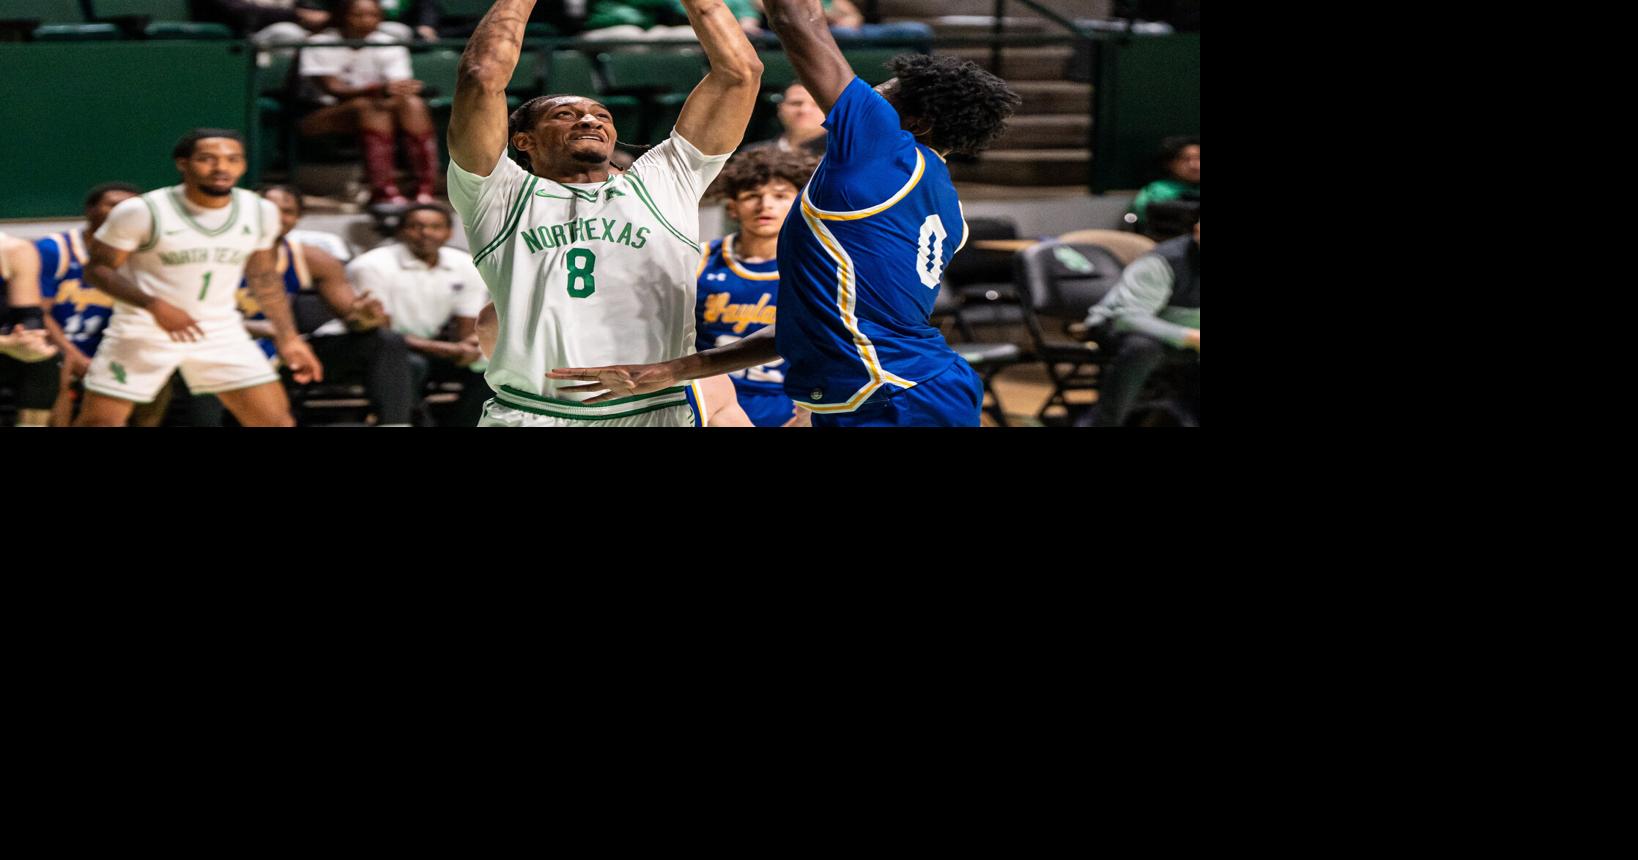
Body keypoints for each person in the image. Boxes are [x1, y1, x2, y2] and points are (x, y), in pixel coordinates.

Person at [549, 0, 1020, 427]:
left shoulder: (884, 150)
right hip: (892, 387)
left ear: (914, 123)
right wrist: (670, 371)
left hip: (894, 394)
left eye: (881, 94)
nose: (865, 98)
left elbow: (796, 17)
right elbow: (811, 323)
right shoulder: (946, 204)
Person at [448, 0, 761, 426]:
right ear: (523, 141)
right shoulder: (498, 193)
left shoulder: (664, 180)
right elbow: (480, 78)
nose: (589, 120)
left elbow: (741, 73)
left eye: (601, 115)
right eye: (565, 114)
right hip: (533, 412)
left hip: (651, 410)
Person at [72, 129, 324, 427]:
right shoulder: (142, 211)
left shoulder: (260, 211)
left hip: (219, 331)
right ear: (183, 164)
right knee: (99, 423)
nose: (222, 168)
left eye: (233, 160)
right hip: (143, 330)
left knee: (276, 422)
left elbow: (264, 276)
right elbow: (97, 269)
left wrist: (288, 337)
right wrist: (153, 305)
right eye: (208, 159)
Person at [235, 185, 414, 426]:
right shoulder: (215, 253)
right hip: (229, 350)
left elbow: (354, 319)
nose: (278, 217)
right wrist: (266, 330)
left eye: (287, 211)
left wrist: (365, 317)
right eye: (269, 210)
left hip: (287, 354)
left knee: (385, 341)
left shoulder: (313, 258)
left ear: (298, 218)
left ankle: (395, 423)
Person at [35, 183, 176, 427]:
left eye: (131, 206)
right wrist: (75, 357)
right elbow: (39, 313)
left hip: (116, 346)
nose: (123, 211)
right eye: (113, 205)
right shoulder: (54, 249)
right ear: (90, 211)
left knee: (157, 364)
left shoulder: (149, 255)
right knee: (59, 368)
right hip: (59, 344)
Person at [696, 147, 816, 426]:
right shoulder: (700, 260)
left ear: (800, 203)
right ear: (732, 207)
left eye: (780, 196)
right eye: (752, 196)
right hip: (713, 402)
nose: (765, 205)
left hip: (790, 405)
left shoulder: (816, 268)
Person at [346, 204, 490, 425]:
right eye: (416, 226)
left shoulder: (466, 265)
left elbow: (467, 327)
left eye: (435, 227)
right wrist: (445, 349)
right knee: (411, 364)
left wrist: (470, 346)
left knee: (493, 364)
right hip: (375, 349)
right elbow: (383, 334)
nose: (426, 233)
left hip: (431, 348)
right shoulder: (371, 265)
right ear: (401, 231)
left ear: (449, 233)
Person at [297, 0, 441, 205]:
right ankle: (383, 190)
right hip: (318, 114)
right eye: (358, 14)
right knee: (369, 106)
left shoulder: (387, 41)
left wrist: (403, 90)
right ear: (342, 16)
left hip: (377, 110)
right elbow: (333, 89)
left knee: (412, 103)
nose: (366, 20)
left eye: (373, 15)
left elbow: (396, 87)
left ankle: (425, 187)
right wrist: (378, 90)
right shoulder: (319, 42)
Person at [1076, 220, 1199, 427]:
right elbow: (1129, 318)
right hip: (1119, 328)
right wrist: (1189, 336)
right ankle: (1103, 422)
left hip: (1183, 338)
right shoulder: (1164, 261)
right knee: (1142, 347)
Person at [0, 232, 60, 426]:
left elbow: (29, 315)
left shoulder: (15, 250)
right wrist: (6, 344)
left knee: (42, 359)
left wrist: (28, 338)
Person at [1127, 135, 1198, 233]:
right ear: (1170, 163)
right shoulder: (1156, 191)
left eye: (1199, 158)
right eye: (1185, 159)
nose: (1194, 165)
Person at [742, 82, 826, 157]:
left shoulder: (837, 157)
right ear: (780, 108)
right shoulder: (754, 155)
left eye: (817, 104)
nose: (804, 110)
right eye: (796, 103)